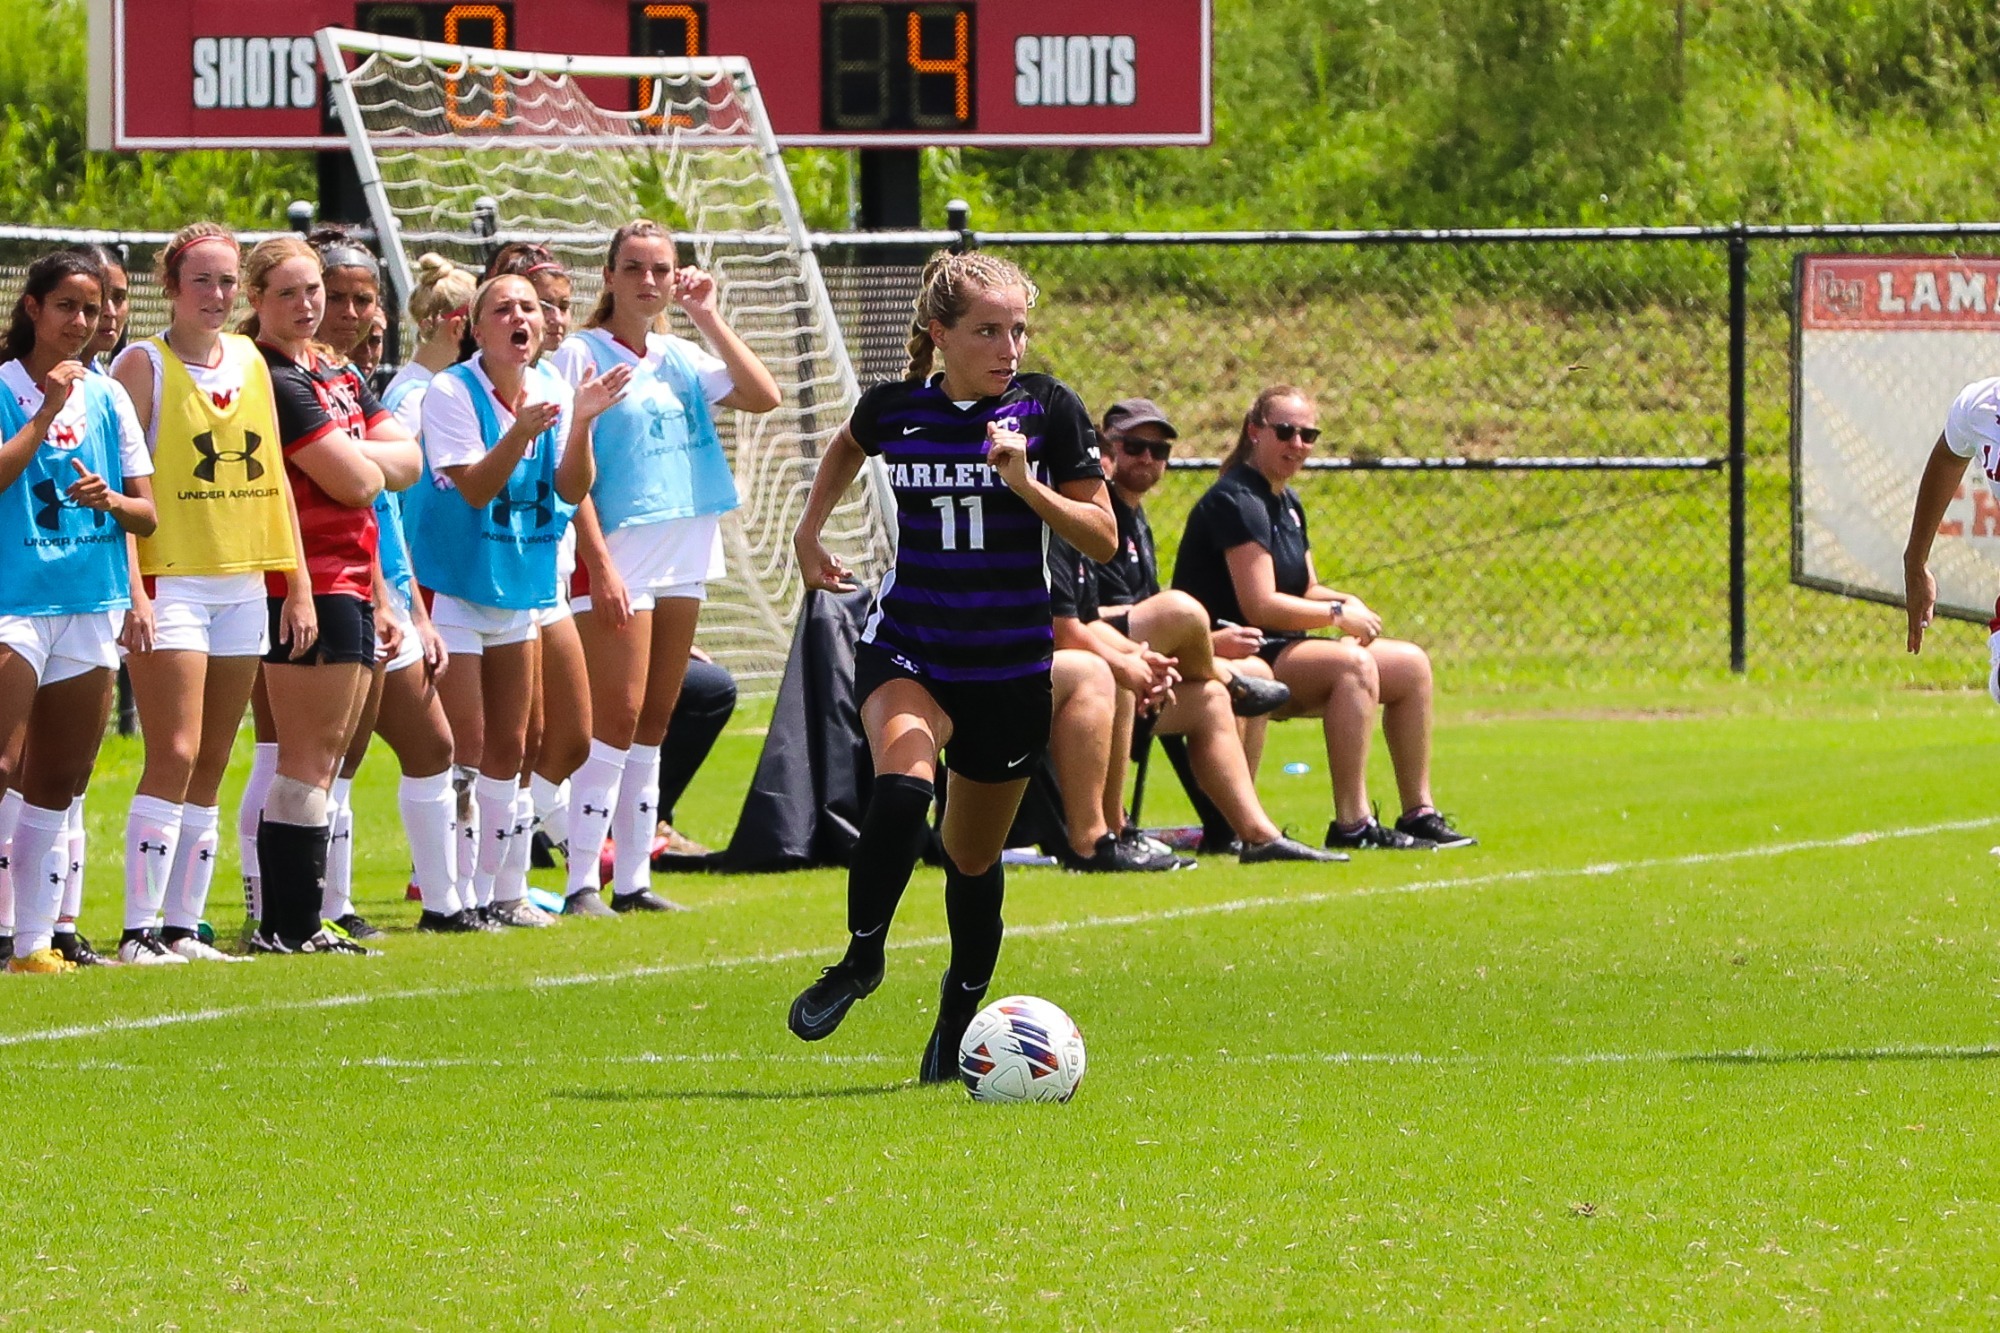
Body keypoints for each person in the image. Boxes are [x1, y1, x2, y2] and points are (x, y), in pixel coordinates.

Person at [785, 249, 1117, 1081]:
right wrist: (808, 531)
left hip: (1007, 669)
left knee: (971, 859)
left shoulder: (1049, 409)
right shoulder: (898, 409)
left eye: (1017, 329)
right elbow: (845, 448)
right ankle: (862, 958)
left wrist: (1026, 485)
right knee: (903, 782)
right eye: (987, 330)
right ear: (940, 332)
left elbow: (1102, 537)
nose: (1009, 346)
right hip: (913, 646)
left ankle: (959, 1020)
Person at [547, 219, 780, 917]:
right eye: (635, 268)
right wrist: (598, 563)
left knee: (654, 717)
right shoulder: (579, 354)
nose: (649, 282)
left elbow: (762, 392)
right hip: (620, 551)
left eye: (662, 269)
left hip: (686, 545)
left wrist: (708, 314)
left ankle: (636, 879)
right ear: (610, 276)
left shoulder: (681, 353)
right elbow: (570, 472)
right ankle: (581, 879)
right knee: (612, 717)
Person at [112, 224, 311, 965]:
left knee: (215, 758)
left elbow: (277, 482)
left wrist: (294, 582)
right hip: (174, 580)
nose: (218, 296)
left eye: (229, 282)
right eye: (203, 281)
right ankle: (137, 929)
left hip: (242, 579)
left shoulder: (255, 359)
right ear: (171, 286)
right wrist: (134, 586)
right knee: (174, 748)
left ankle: (183, 928)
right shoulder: (144, 363)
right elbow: (124, 487)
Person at [411, 272, 628, 930]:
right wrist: (519, 433)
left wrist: (583, 421)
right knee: (469, 745)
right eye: (502, 308)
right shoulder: (450, 391)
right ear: (476, 329)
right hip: (460, 584)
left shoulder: (554, 390)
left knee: (516, 743)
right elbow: (474, 487)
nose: (520, 317)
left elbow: (569, 487)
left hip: (525, 582)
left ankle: (501, 890)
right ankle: (450, 896)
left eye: (529, 308)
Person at [1171, 385, 1475, 851]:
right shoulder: (1236, 500)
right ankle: (1352, 824)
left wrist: (1347, 602)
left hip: (1283, 646)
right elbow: (1261, 605)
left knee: (1411, 665)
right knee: (1353, 666)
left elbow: (1305, 587)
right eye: (1286, 432)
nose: (1298, 445)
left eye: (1308, 435)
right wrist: (1335, 617)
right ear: (1255, 432)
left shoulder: (1287, 502)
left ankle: (1419, 811)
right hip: (1241, 649)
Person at [238, 235, 420, 955]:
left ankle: (293, 924)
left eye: (313, 289)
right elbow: (357, 482)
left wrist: (362, 459)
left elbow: (403, 462)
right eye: (289, 292)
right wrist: (364, 461)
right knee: (307, 758)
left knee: (321, 757)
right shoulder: (272, 375)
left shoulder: (334, 369)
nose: (309, 304)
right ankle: (291, 925)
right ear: (257, 300)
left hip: (351, 577)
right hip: (303, 581)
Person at [0, 249, 157, 974]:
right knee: (4, 761)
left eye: (92, 310)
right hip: (14, 601)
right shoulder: (6, 386)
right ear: (32, 309)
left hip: (90, 602)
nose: (82, 322)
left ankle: (31, 943)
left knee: (59, 777)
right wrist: (47, 413)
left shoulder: (110, 396)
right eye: (67, 306)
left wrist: (112, 502)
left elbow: (146, 514)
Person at [378, 252, 483, 932]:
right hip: (419, 582)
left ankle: (456, 881)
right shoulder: (414, 397)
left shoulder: (442, 388)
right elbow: (402, 509)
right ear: (455, 323)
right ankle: (438, 879)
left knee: (464, 746)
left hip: (435, 581)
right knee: (446, 741)